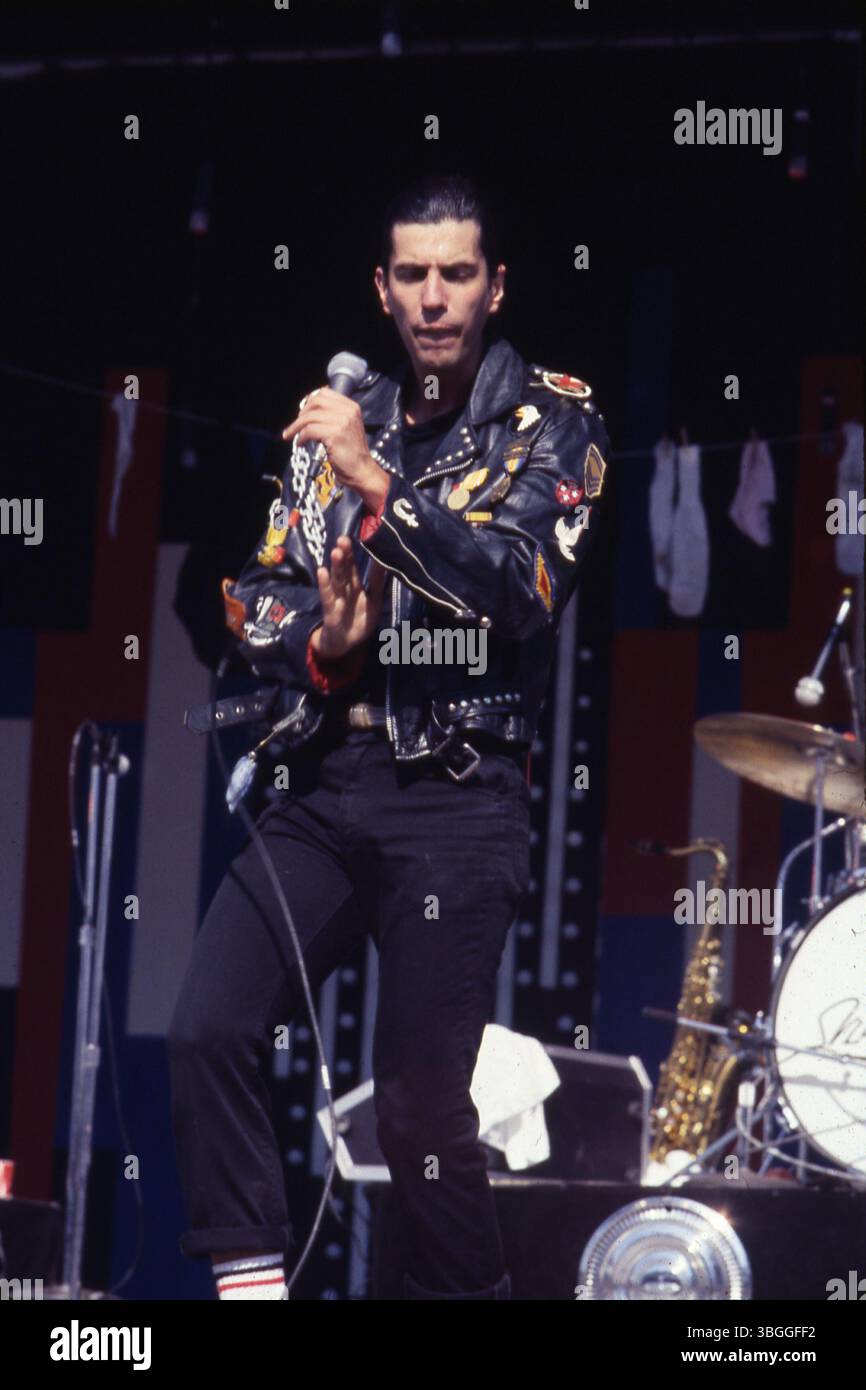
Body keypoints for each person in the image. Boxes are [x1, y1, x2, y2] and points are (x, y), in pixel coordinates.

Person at [167, 173, 611, 1301]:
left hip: (456, 797)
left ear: (493, 285)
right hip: (324, 778)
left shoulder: (552, 418)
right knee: (208, 1027)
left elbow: (520, 588)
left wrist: (384, 489)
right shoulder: (335, 423)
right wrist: (324, 637)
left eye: (455, 273)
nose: (431, 298)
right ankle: (251, 1284)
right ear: (380, 288)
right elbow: (250, 596)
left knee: (416, 1105)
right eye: (410, 274)